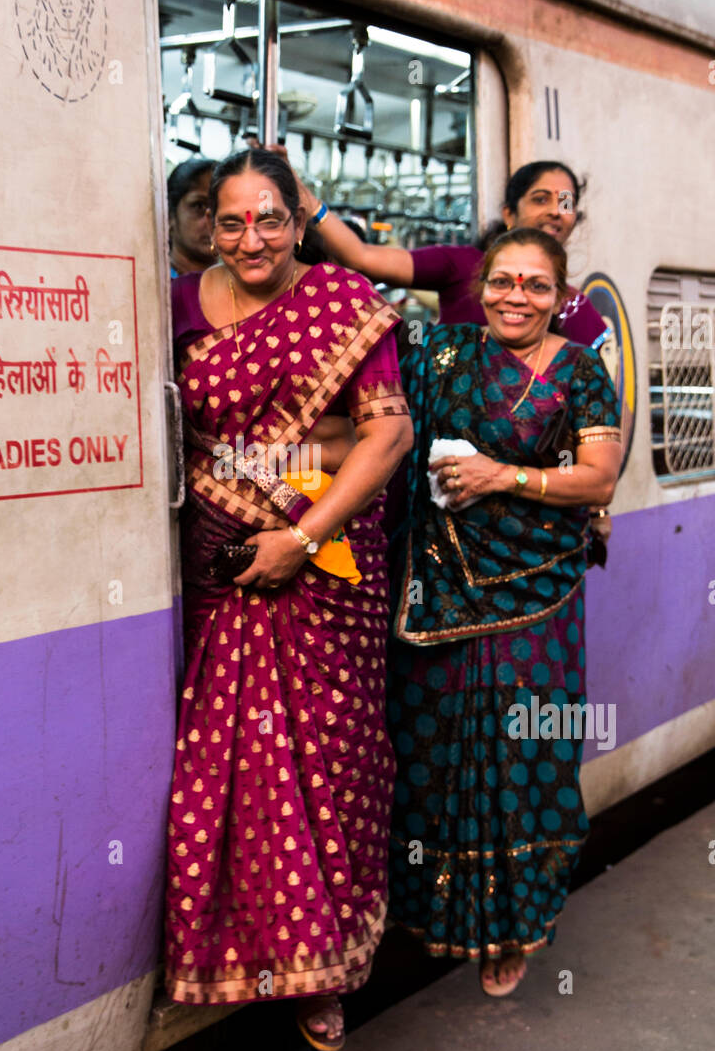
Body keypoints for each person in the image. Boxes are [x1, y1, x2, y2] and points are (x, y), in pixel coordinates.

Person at [164, 149, 413, 1050]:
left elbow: (389, 433)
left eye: (268, 217)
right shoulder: (180, 307)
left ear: (299, 215)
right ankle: (236, 951)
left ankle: (325, 970)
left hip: (327, 562)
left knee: (330, 764)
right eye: (230, 221)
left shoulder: (346, 306)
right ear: (209, 226)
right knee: (224, 766)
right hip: (217, 563)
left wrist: (301, 540)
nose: (250, 238)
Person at [387, 226, 620, 996]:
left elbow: (598, 481)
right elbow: (387, 424)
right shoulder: (442, 354)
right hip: (441, 591)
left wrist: (501, 478)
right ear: (480, 285)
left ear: (559, 297)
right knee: (435, 753)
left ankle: (511, 927)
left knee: (525, 758)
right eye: (501, 281)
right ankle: (436, 913)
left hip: (537, 596)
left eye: (535, 285)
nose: (514, 297)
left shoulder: (583, 371)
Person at [290, 159, 608, 348]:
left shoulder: (574, 305)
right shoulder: (462, 264)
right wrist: (303, 196)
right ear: (509, 214)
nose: (555, 211)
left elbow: (600, 418)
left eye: (566, 203)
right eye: (541, 199)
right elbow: (360, 257)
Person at [167, 157, 214, 278]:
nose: (213, 221)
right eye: (199, 206)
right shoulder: (155, 285)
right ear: (170, 216)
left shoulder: (242, 288)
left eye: (220, 207)